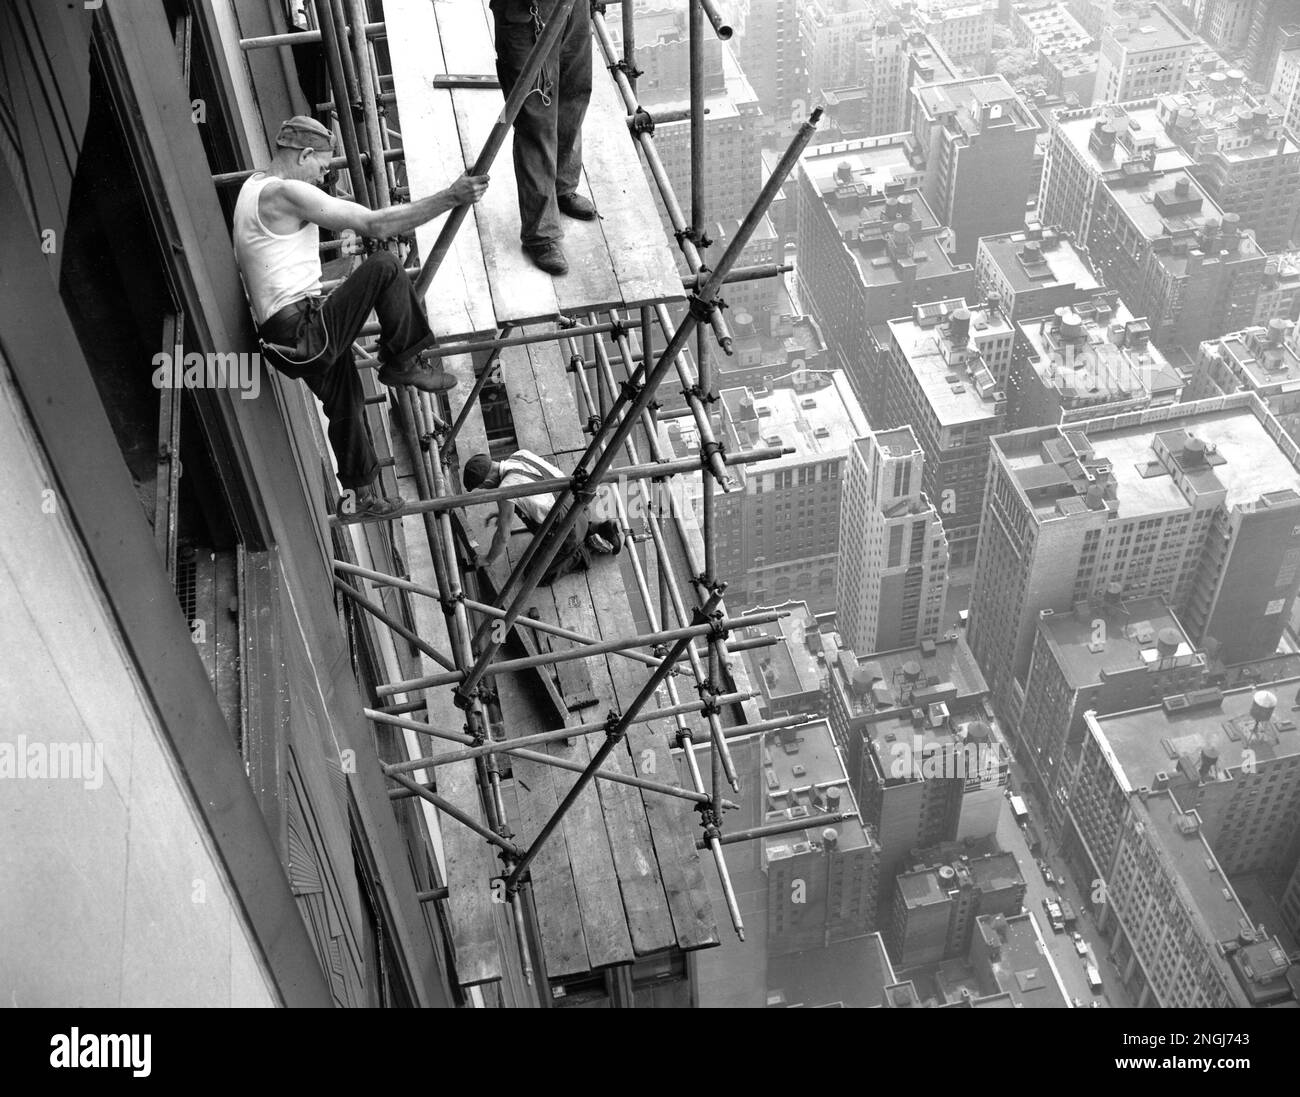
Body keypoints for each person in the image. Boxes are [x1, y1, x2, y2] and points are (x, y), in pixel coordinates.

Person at [232, 115, 489, 519]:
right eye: (321, 166)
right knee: (385, 266)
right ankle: (403, 360)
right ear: (303, 155)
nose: (322, 176)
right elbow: (373, 223)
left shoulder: (252, 187)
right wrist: (450, 197)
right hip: (301, 332)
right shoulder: (284, 192)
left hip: (287, 340)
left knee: (347, 401)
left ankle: (360, 498)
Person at [490, 0, 595, 276]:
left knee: (575, 93)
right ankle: (541, 233)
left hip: (573, 6)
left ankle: (562, 187)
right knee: (534, 119)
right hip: (525, 12)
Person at [463, 450, 621, 585]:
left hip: (567, 535)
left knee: (535, 576)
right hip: (578, 507)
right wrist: (504, 513)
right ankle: (600, 528)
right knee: (558, 516)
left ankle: (584, 551)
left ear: (488, 481)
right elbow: (535, 492)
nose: (485, 489)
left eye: (483, 487)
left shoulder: (506, 491)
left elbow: (503, 537)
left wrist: (488, 559)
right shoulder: (520, 454)